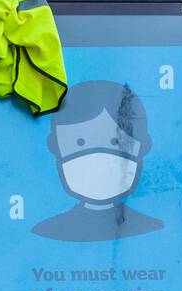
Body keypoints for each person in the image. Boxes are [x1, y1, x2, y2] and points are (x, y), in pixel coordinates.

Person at [32, 80, 163, 242]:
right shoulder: (47, 231)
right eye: (80, 143)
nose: (97, 158)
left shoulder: (150, 227)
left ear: (144, 146)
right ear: (55, 146)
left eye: (115, 142)